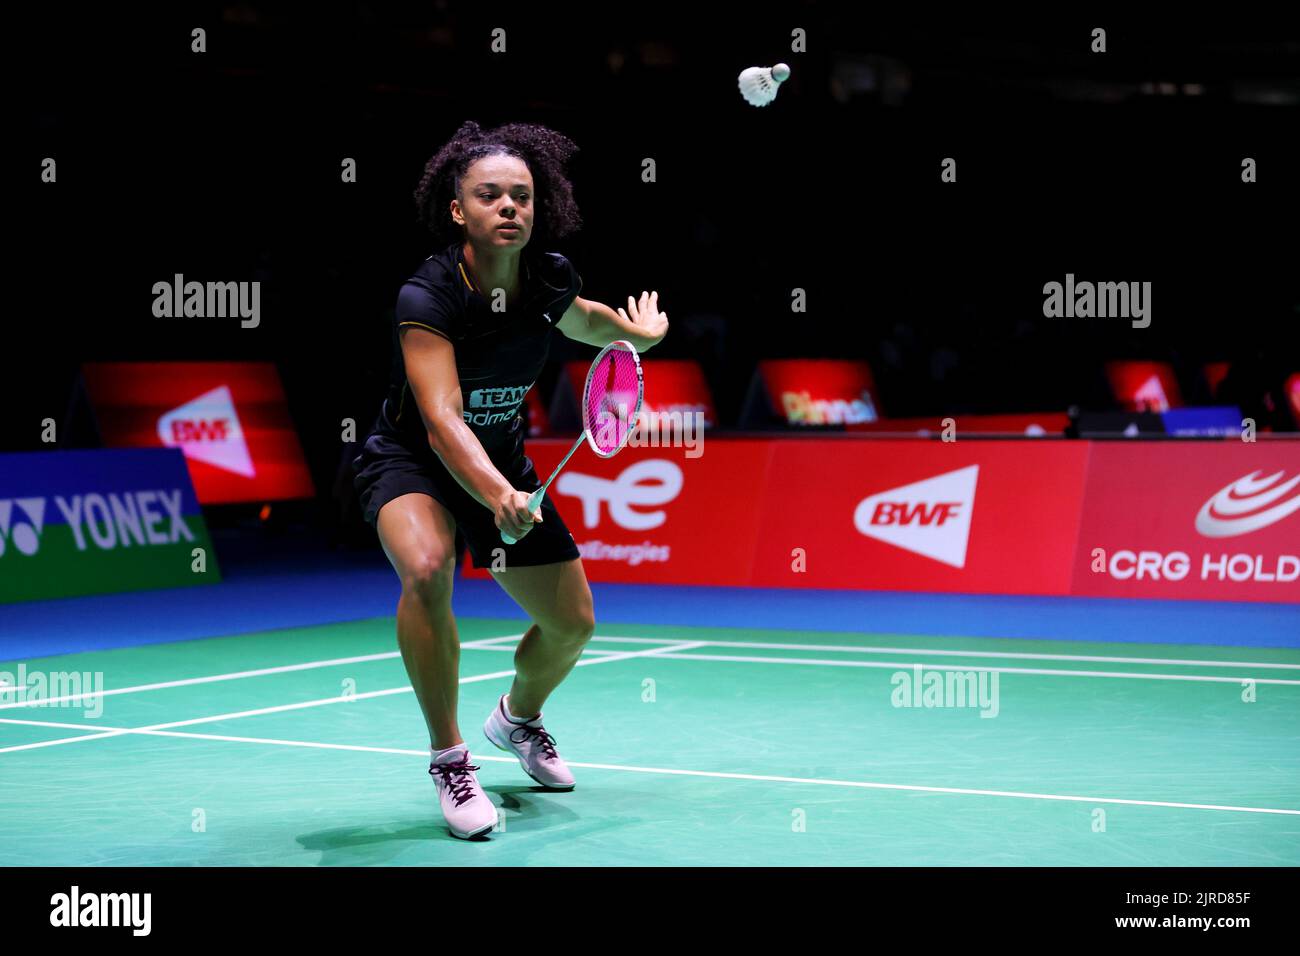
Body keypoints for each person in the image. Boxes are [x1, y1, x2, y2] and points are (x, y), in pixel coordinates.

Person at [353, 121, 668, 838]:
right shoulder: (428, 296)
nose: (508, 207)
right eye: (489, 195)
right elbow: (441, 420)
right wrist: (498, 496)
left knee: (572, 625)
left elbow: (584, 320)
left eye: (521, 196)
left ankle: (518, 719)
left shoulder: (548, 278)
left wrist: (636, 334)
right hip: (415, 463)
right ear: (457, 209)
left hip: (503, 465)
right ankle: (450, 760)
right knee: (426, 569)